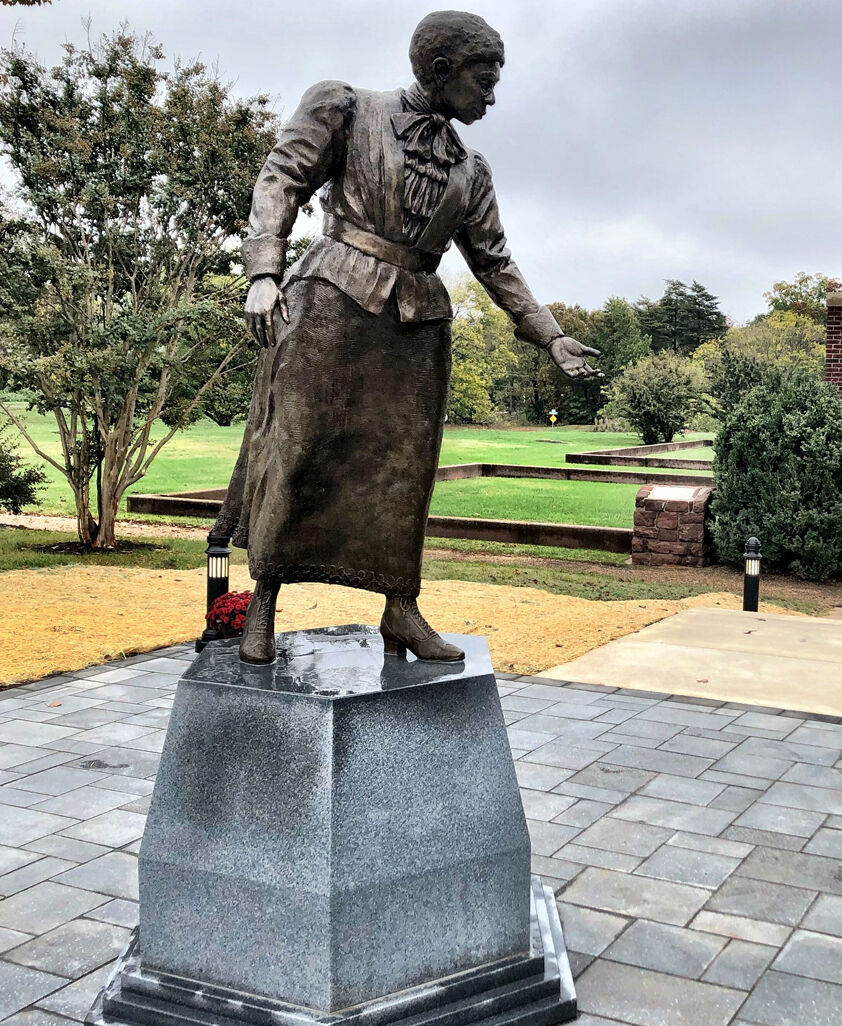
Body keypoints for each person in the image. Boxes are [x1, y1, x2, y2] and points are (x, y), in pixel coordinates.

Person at [214, 10, 600, 665]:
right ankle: (264, 607)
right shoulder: (346, 108)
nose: (492, 95)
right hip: (327, 303)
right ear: (444, 71)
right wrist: (262, 272)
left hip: (416, 328)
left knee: (405, 474)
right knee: (297, 452)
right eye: (484, 79)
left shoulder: (470, 170)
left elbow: (494, 259)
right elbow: (280, 178)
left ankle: (400, 610)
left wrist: (551, 335)